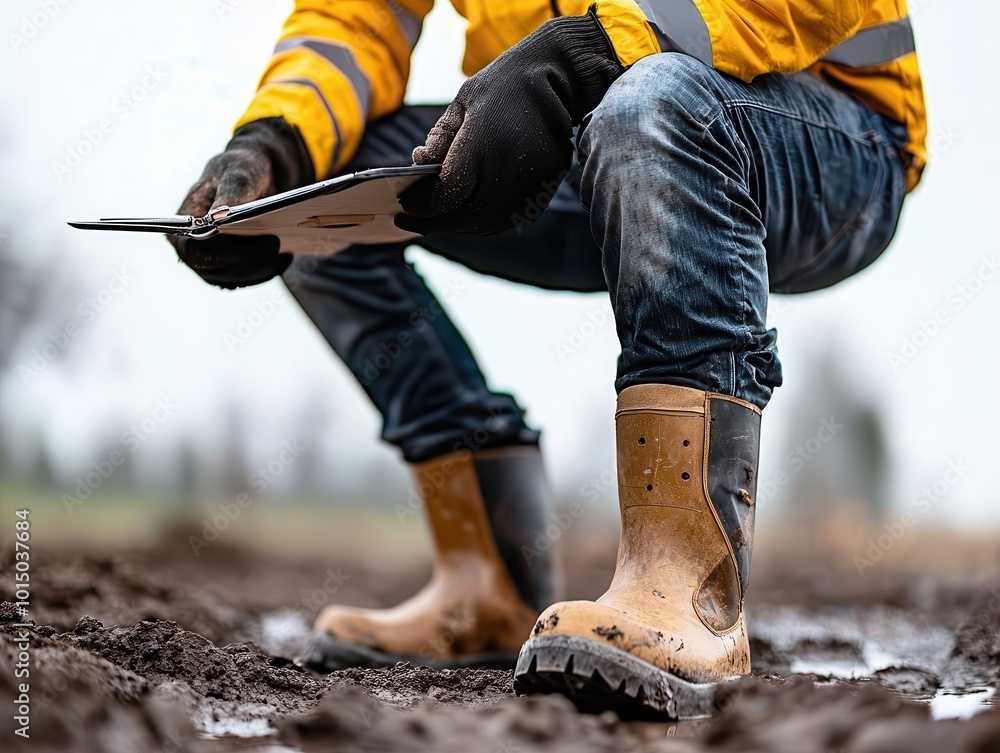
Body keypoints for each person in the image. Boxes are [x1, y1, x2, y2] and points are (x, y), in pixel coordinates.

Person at [170, 0, 926, 718]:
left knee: (653, 106)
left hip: (822, 134)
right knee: (313, 199)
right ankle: (489, 580)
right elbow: (355, 19)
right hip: (580, 121)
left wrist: (586, 56)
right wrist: (279, 139)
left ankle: (692, 594)